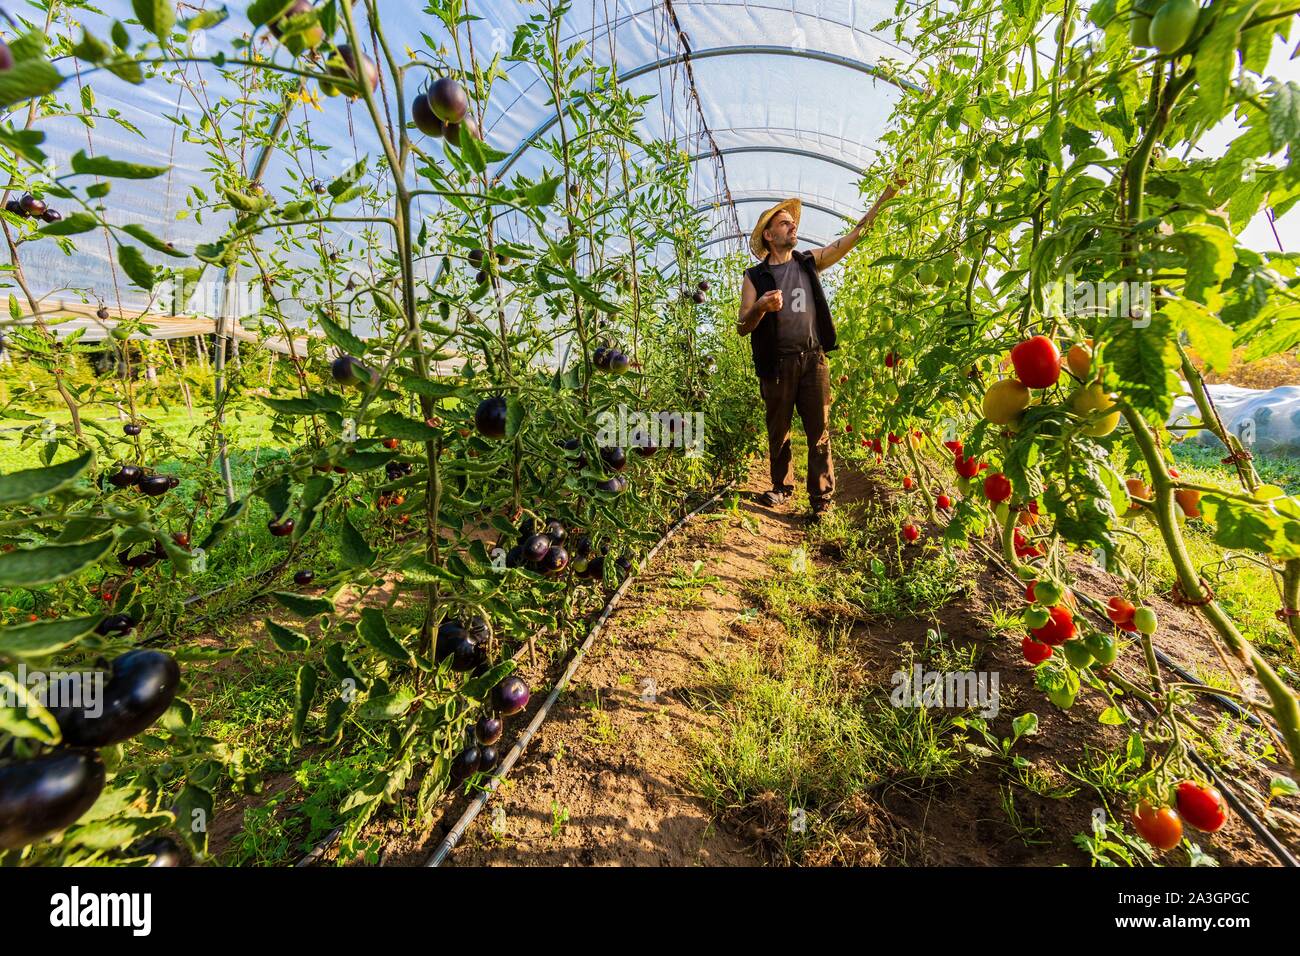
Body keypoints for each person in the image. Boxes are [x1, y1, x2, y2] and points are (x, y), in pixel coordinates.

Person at [737, 176, 905, 521]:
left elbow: (853, 238)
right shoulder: (754, 277)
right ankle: (782, 488)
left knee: (819, 431)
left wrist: (887, 196)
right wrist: (760, 308)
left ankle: (821, 499)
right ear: (769, 235)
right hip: (777, 363)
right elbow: (742, 326)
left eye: (792, 221)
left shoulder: (807, 262)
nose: (792, 224)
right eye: (785, 222)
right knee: (779, 430)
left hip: (813, 360)